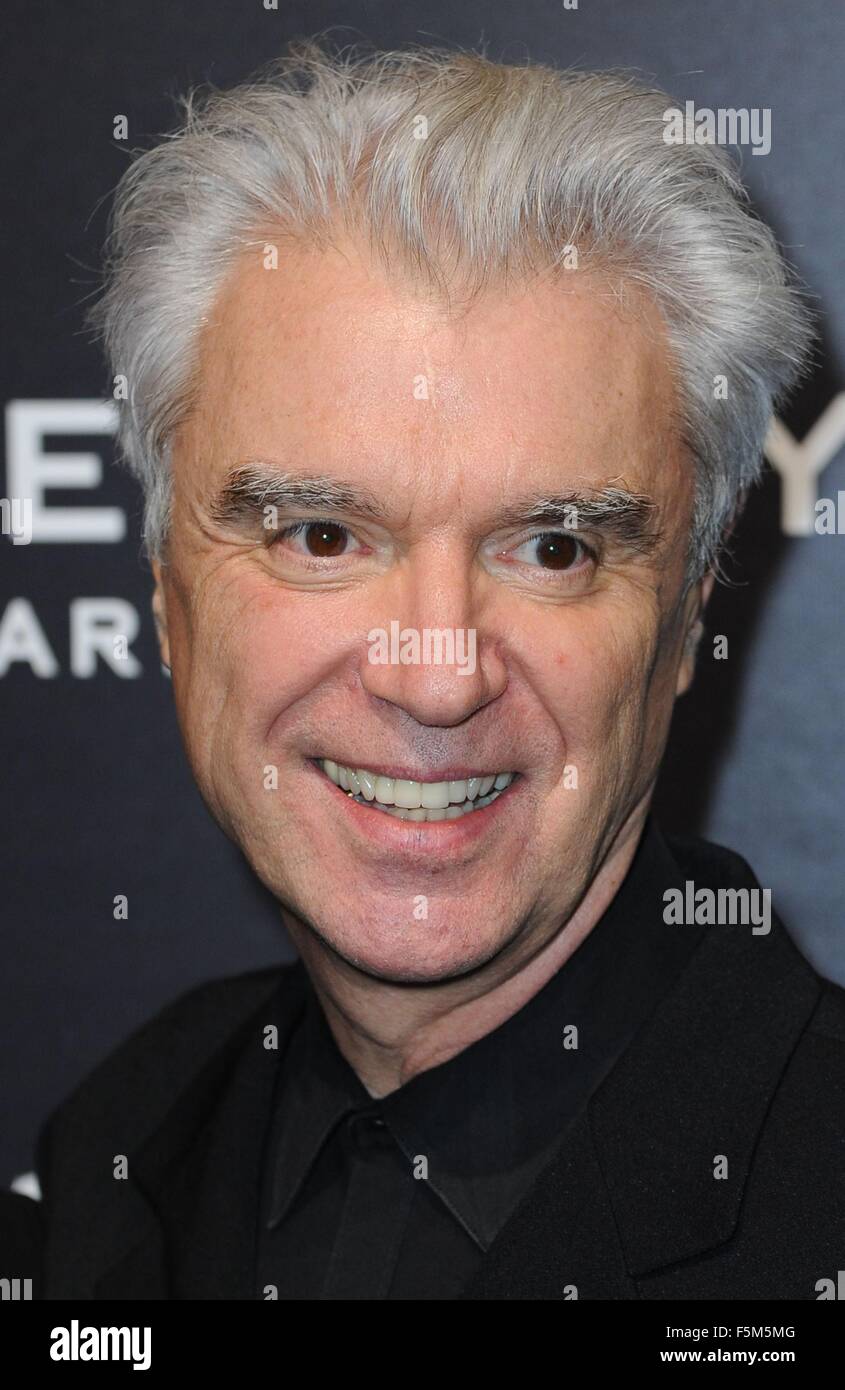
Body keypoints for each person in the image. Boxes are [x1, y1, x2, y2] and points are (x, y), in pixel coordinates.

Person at [11, 40, 845, 1300]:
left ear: (685, 616)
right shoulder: (114, 1158)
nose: (435, 676)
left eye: (553, 546)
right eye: (323, 535)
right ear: (165, 589)